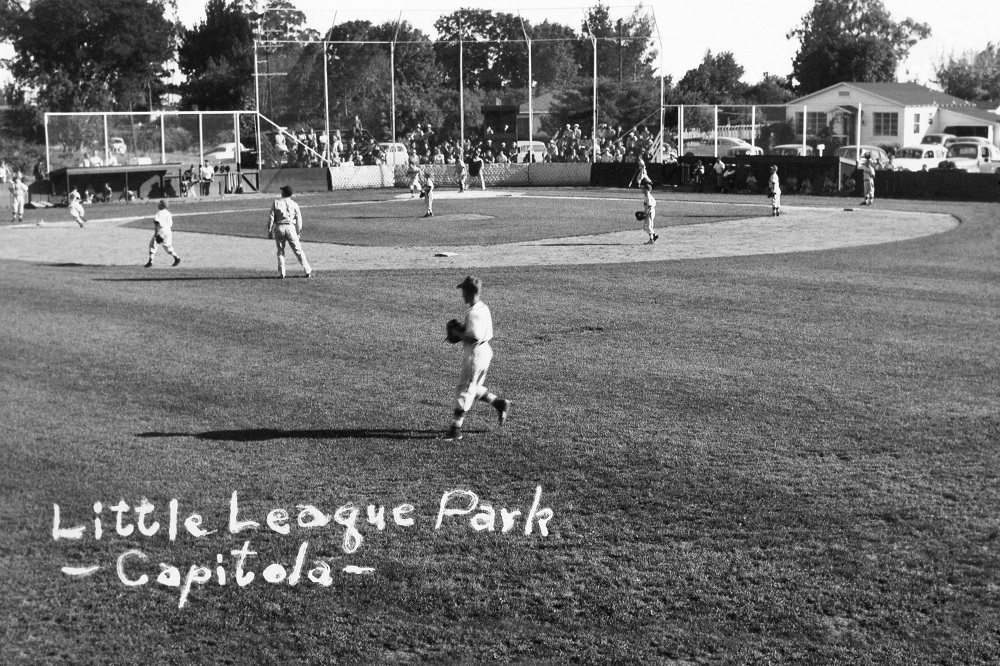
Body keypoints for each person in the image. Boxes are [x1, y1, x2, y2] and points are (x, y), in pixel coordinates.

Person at [443, 275, 511, 441]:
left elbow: (474, 337)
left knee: (464, 389)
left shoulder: (473, 313)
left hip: (476, 354)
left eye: (463, 291)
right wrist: (463, 330)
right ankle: (500, 403)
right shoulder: (483, 307)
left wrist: (458, 333)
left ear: (469, 292)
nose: (462, 295)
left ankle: (455, 430)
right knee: (474, 387)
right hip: (485, 351)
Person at [266, 185, 312, 279]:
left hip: (279, 227)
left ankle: (282, 273)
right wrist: (298, 231)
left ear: (284, 193)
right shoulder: (294, 204)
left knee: (280, 251)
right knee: (298, 250)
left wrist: (270, 230)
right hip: (291, 228)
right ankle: (307, 270)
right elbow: (299, 220)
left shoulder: (276, 202)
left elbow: (271, 218)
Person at [144, 200, 181, 267]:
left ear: (162, 205)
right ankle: (176, 258)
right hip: (168, 231)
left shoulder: (159, 213)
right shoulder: (169, 213)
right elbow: (170, 224)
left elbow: (157, 223)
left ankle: (150, 262)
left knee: (152, 245)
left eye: (160, 204)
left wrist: (156, 233)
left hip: (161, 230)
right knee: (167, 246)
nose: (158, 205)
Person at [641, 181, 658, 245]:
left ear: (646, 189)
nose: (642, 189)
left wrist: (645, 213)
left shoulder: (648, 197)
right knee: (645, 227)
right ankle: (654, 235)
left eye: (643, 188)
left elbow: (650, 206)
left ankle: (651, 240)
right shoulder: (647, 196)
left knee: (648, 227)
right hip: (648, 212)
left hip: (650, 212)